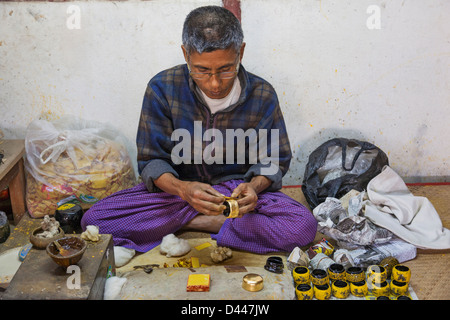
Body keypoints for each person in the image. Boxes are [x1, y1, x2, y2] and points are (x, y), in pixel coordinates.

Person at [81, 5, 317, 255]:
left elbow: (274, 160)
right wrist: (183, 189)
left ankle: (200, 222)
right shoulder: (162, 89)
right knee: (95, 220)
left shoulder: (262, 94)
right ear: (186, 54)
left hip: (237, 193)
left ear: (241, 52)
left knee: (302, 227)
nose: (214, 84)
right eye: (202, 70)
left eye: (226, 69)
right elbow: (151, 161)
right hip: (178, 194)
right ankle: (211, 222)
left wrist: (254, 188)